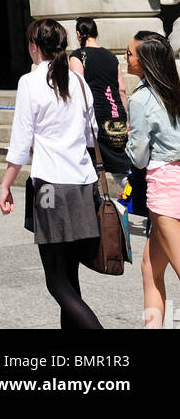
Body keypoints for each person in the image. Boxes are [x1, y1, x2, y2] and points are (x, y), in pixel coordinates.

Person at [0, 17, 102, 330]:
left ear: (34, 47)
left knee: (56, 282)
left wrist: (5, 184)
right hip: (83, 186)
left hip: (50, 189)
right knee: (70, 275)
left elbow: (21, 141)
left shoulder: (30, 83)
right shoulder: (79, 82)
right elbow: (91, 133)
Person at [126, 30, 180, 327]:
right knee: (150, 268)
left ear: (145, 61)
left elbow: (138, 157)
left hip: (166, 186)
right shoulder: (176, 89)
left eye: (130, 53)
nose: (126, 58)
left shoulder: (142, 99)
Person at [69, 17, 129, 184]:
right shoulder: (111, 56)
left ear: (78, 34)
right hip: (116, 113)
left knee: (93, 166)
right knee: (120, 167)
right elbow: (122, 89)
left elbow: (78, 90)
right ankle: (133, 200)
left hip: (94, 117)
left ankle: (99, 206)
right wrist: (126, 118)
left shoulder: (78, 56)